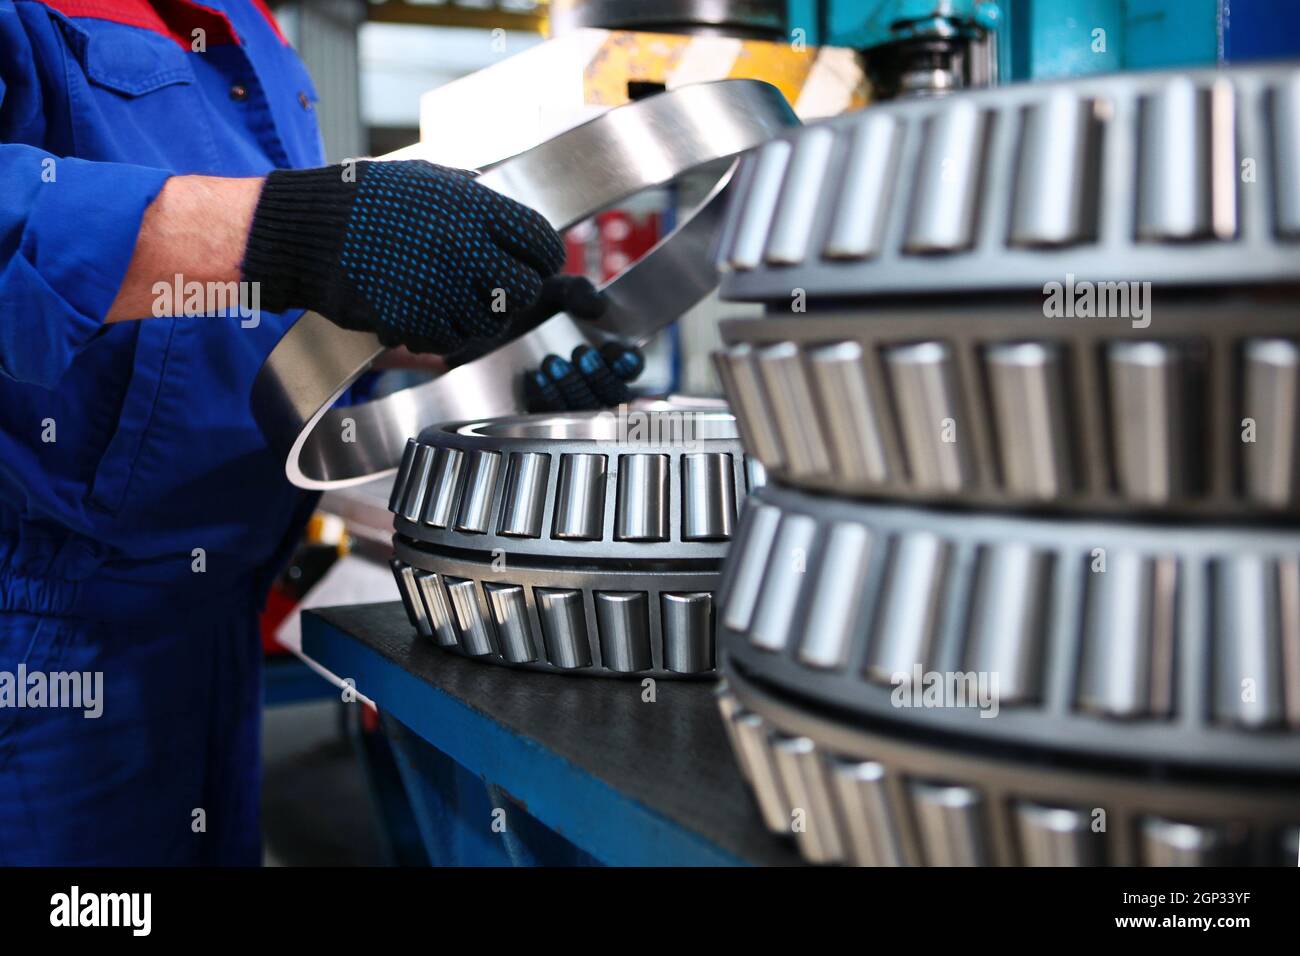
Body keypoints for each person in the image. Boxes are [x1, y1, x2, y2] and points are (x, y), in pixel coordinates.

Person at [0, 0, 638, 865]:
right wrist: (283, 229)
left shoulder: (246, 20)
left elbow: (261, 313)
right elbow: (263, 240)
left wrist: (465, 343)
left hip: (207, 614)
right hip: (38, 632)